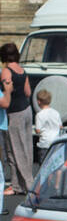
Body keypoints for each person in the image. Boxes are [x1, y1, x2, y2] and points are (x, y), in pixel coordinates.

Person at [0, 43, 33, 196]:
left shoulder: (6, 72)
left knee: (16, 149)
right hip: (26, 109)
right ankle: (16, 184)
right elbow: (28, 92)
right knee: (24, 148)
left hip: (14, 113)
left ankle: (27, 184)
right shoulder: (22, 70)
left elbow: (7, 91)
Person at [33, 88, 62, 155]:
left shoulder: (39, 115)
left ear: (38, 102)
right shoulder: (56, 113)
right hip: (55, 142)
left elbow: (38, 130)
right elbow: (60, 126)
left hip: (44, 144)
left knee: (43, 163)